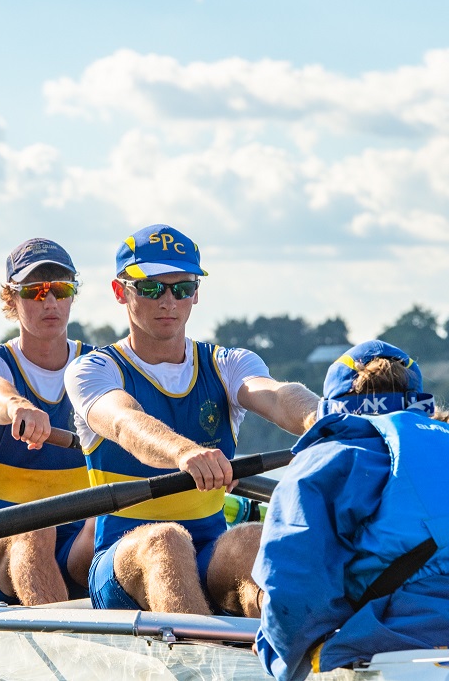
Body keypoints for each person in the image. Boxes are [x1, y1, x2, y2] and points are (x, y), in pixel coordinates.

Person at [64, 224, 317, 615]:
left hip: (208, 553)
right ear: (120, 292)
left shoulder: (228, 363)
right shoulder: (93, 369)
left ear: (195, 294)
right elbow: (123, 422)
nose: (169, 300)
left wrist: (326, 418)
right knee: (165, 541)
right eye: (151, 288)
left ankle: (291, 653)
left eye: (182, 288)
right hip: (122, 559)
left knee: (252, 539)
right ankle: (203, 668)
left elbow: (278, 396)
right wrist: (184, 452)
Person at [253, 341, 449, 681]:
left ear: (332, 409)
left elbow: (293, 588)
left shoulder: (333, 453)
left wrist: (276, 658)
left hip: (403, 648)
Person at [0, 239, 95, 606]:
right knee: (34, 528)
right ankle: (66, 643)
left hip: (76, 546)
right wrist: (16, 406)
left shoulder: (100, 367)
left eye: (61, 289)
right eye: (35, 291)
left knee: (127, 524)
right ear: (11, 300)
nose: (49, 302)